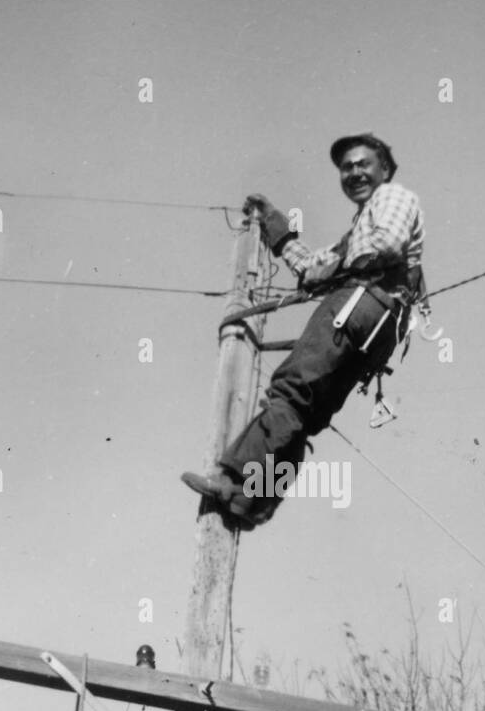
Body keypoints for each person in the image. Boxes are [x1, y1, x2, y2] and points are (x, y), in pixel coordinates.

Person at [182, 132, 425, 528]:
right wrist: (276, 229)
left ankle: (230, 477)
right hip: (376, 327)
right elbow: (316, 267)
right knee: (303, 413)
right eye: (347, 168)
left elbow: (385, 245)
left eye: (363, 164)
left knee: (292, 392)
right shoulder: (359, 227)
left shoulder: (393, 198)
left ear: (384, 168)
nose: (354, 172)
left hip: (362, 304)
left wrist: (334, 269)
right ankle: (252, 502)